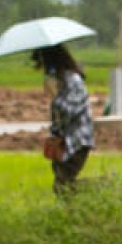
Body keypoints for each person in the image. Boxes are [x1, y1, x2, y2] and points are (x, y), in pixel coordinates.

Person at [33, 44, 92, 195]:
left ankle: (104, 187)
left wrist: (54, 96)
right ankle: (86, 205)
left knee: (62, 186)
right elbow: (58, 119)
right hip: (64, 141)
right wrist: (53, 136)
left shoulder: (74, 81)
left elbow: (70, 111)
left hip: (77, 141)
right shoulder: (60, 80)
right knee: (62, 186)